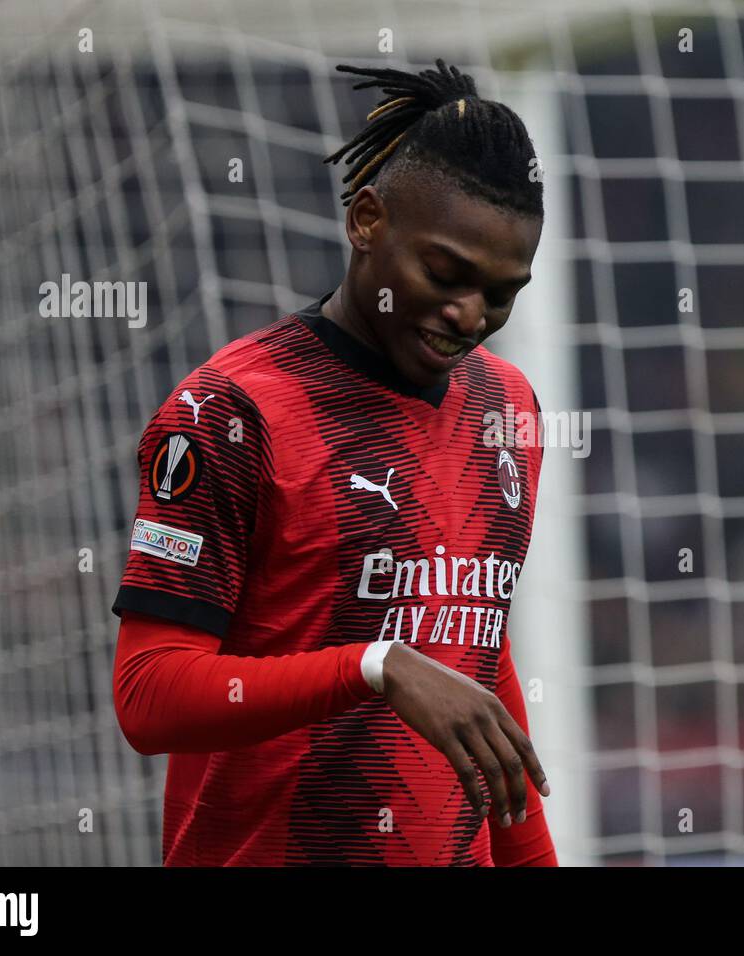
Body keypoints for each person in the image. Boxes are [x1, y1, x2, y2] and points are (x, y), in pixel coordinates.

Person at [111, 58, 556, 866]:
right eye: (446, 274)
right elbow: (148, 696)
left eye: (501, 293)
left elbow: (474, 654)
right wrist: (374, 667)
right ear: (367, 221)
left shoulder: (508, 410)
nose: (469, 315)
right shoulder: (230, 413)